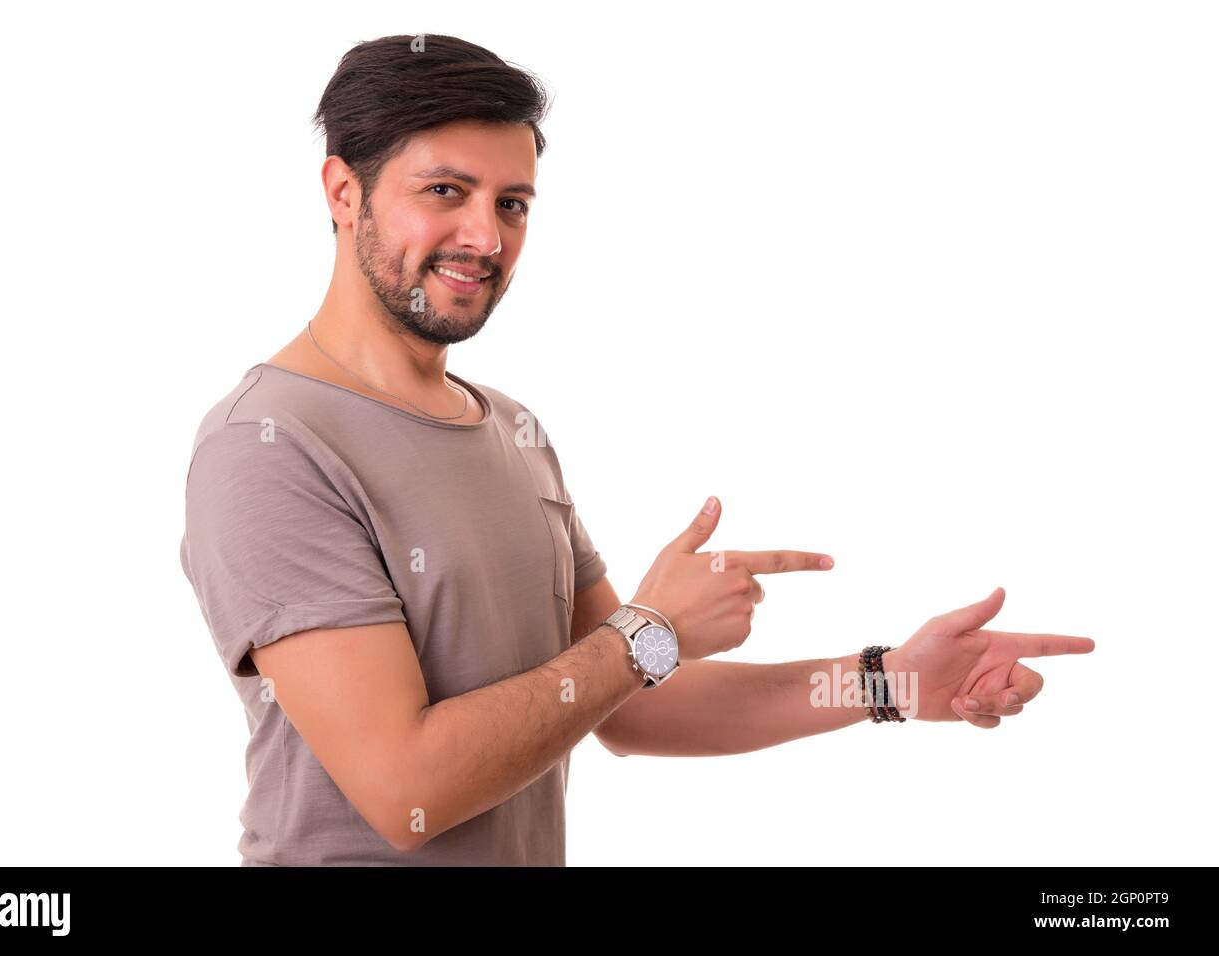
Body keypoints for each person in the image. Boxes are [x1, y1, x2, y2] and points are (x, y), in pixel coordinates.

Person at [179, 34, 1095, 866]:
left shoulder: (508, 427)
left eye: (514, 203)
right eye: (445, 192)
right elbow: (406, 791)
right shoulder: (269, 447)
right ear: (345, 193)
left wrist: (886, 682)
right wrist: (650, 631)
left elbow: (632, 699)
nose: (485, 238)